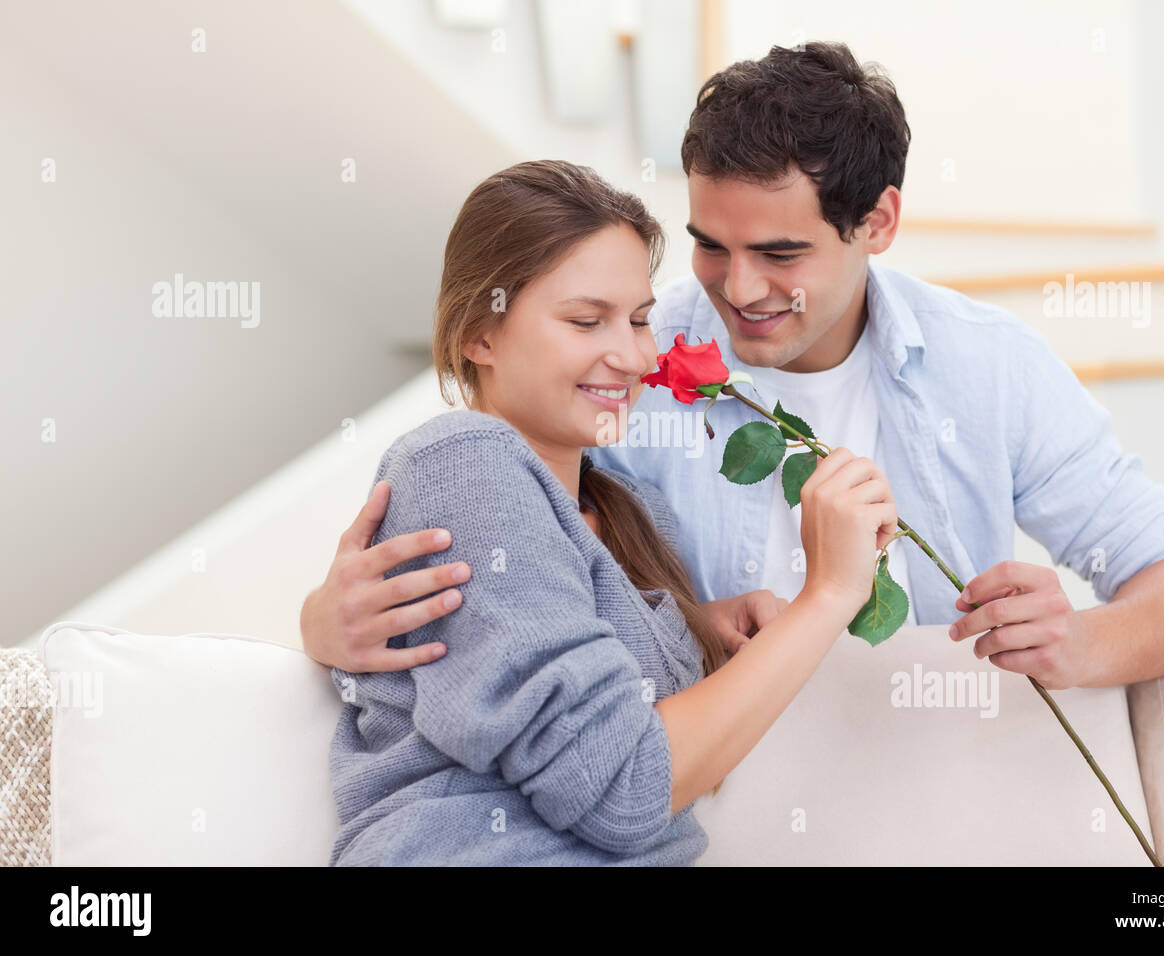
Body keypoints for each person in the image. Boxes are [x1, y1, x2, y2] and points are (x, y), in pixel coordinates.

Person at [305, 41, 1164, 698]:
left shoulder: (987, 368)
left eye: (780, 254)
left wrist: (1083, 641)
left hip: (928, 771)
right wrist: (324, 628)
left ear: (877, 223)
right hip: (711, 789)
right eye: (712, 244)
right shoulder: (631, 362)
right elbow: (506, 575)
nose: (734, 288)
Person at [327, 159, 899, 865]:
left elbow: (644, 727)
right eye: (586, 320)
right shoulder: (463, 461)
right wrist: (830, 594)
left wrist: (697, 631)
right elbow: (622, 788)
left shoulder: (630, 511)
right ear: (480, 334)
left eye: (638, 320)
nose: (631, 357)